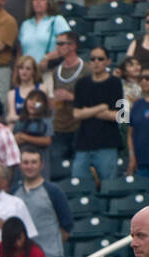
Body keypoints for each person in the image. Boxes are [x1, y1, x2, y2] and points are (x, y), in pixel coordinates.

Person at [68, 45, 121, 186]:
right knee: (78, 185)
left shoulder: (116, 83)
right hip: (83, 144)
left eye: (100, 59)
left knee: (109, 186)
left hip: (108, 144)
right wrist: (101, 108)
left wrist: (88, 112)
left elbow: (120, 116)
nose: (96, 62)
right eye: (93, 59)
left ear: (108, 61)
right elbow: (76, 114)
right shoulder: (81, 84)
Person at [14, 143, 70, 257]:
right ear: (20, 166)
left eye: (34, 162)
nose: (30, 166)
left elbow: (66, 227)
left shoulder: (53, 191)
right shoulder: (14, 193)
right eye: (26, 162)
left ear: (41, 165)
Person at [46, 31, 86, 166]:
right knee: (57, 168)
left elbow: (94, 99)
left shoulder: (86, 70)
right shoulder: (56, 71)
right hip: (59, 127)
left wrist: (71, 97)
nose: (58, 47)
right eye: (57, 44)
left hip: (80, 127)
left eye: (61, 44)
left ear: (72, 46)